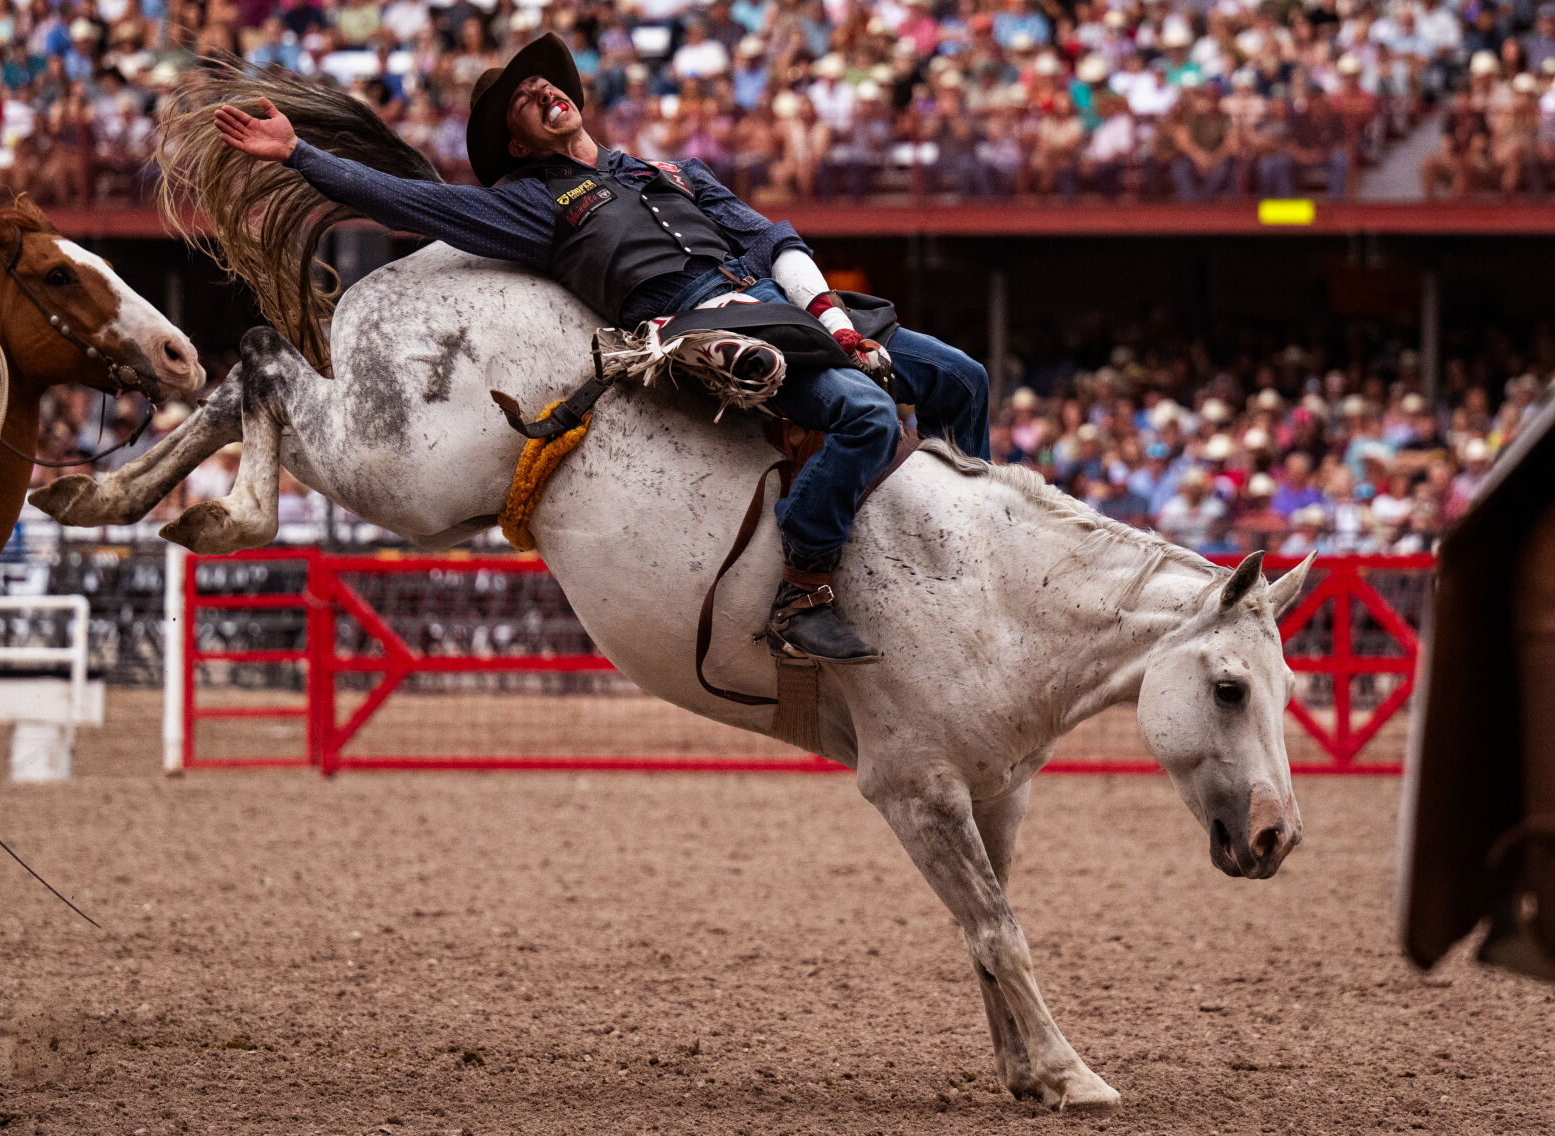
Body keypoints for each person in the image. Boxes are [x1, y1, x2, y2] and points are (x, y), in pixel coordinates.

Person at [213, 34, 990, 664]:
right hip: (701, 327)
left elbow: (769, 236)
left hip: (795, 306)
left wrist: (832, 317)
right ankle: (804, 589)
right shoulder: (530, 204)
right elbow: (412, 201)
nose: (544, 94)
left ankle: (986, 538)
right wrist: (300, 158)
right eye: (523, 100)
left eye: (545, 85)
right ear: (513, 142)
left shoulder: (666, 169)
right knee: (861, 415)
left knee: (964, 377)